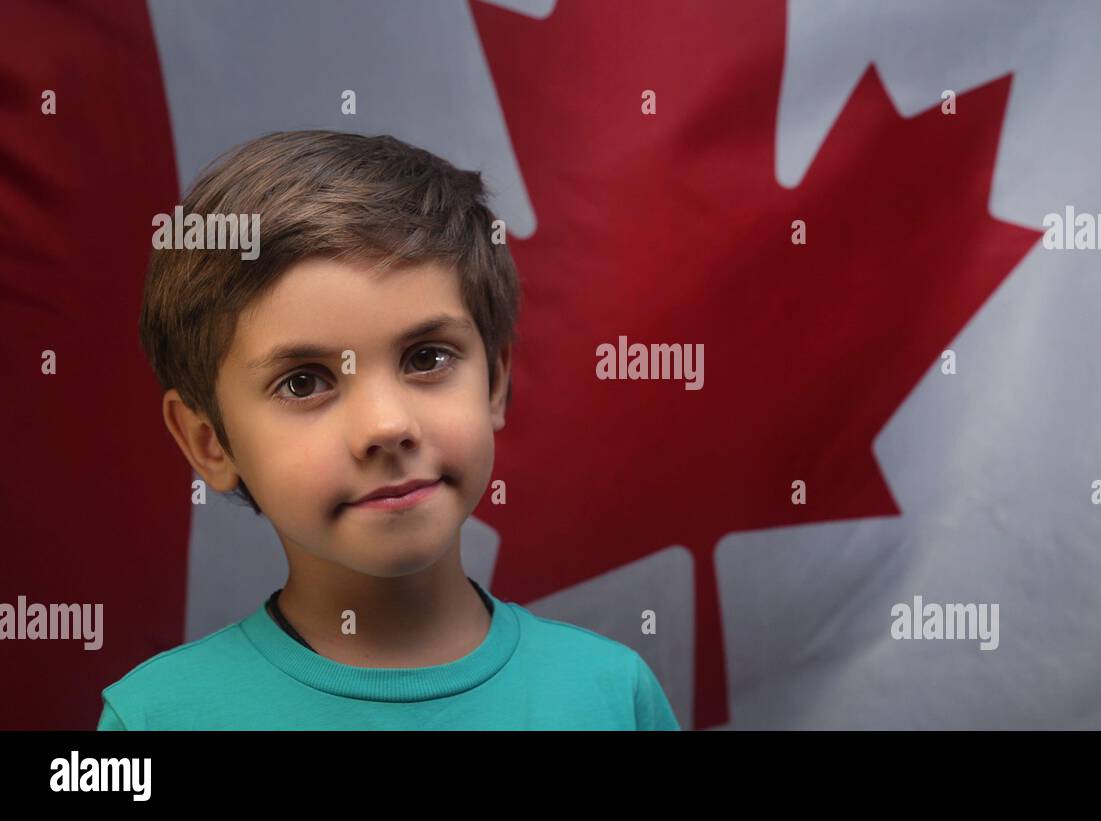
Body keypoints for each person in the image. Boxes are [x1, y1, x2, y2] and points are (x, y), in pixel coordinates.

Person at [97, 130, 680, 730]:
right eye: (303, 382)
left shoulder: (610, 693)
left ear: (495, 382)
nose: (386, 426)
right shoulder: (156, 718)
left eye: (427, 358)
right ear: (209, 442)